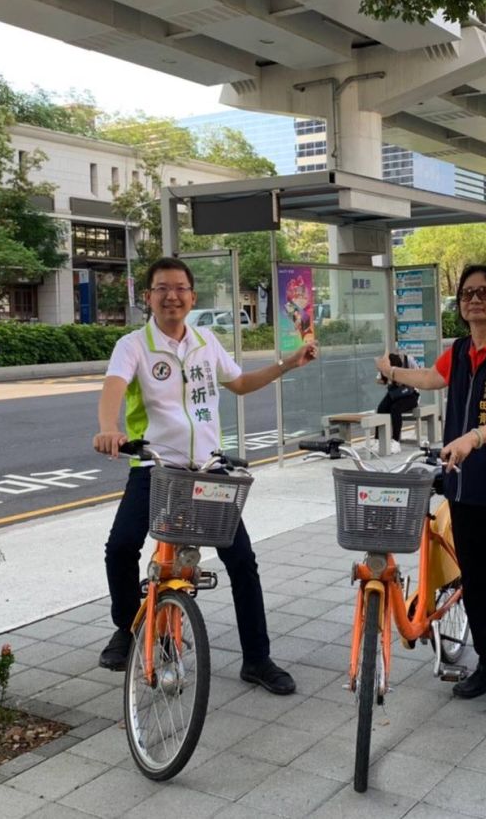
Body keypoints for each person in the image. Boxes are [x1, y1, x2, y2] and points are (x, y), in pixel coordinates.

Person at [93, 257, 319, 694]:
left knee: (242, 561)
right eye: (162, 288)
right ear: (149, 297)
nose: (171, 295)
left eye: (179, 288)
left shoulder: (205, 342)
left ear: (192, 297)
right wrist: (108, 428)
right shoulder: (133, 345)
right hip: (156, 468)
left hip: (207, 470)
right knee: (120, 547)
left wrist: (287, 363)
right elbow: (114, 388)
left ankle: (257, 659)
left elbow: (239, 383)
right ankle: (126, 626)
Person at [374, 265, 486, 714]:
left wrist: (473, 437)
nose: (474, 299)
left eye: (484, 292)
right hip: (465, 490)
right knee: (477, 580)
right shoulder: (461, 350)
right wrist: (394, 373)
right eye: (467, 293)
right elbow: (432, 378)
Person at [374, 351, 419, 455]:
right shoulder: (386, 364)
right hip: (395, 393)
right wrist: (389, 378)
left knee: (395, 408)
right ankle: (378, 440)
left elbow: (418, 378)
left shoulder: (409, 361)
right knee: (381, 408)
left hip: (411, 394)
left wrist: (404, 380)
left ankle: (395, 441)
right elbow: (379, 380)